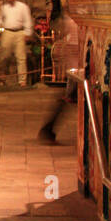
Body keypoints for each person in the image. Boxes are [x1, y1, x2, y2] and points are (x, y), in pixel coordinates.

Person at [39, 9, 79, 142]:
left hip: (75, 67)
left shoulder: (72, 20)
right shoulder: (73, 20)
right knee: (67, 100)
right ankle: (48, 129)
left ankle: (48, 129)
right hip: (76, 68)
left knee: (67, 101)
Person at [0, 0, 33, 87]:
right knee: (5, 56)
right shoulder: (4, 7)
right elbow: (1, 18)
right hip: (8, 32)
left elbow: (27, 20)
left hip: (19, 32)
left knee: (21, 57)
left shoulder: (23, 7)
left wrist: (27, 33)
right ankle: (4, 75)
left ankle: (22, 80)